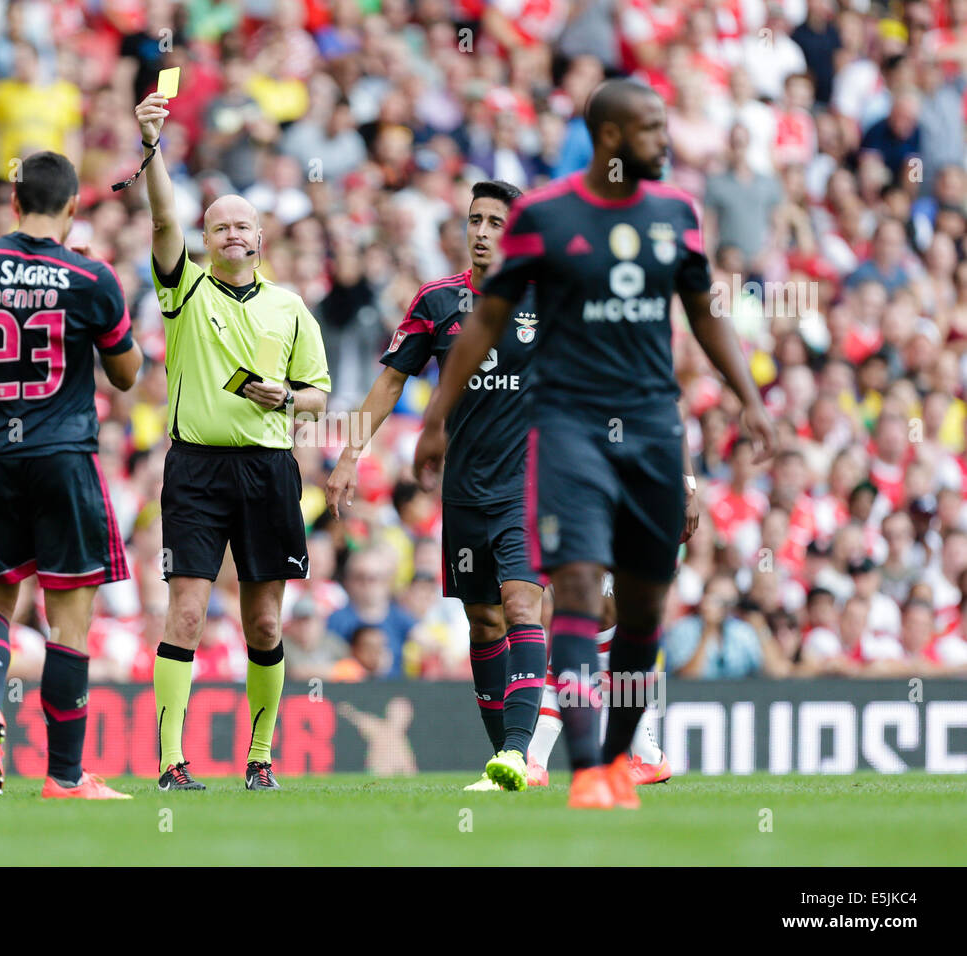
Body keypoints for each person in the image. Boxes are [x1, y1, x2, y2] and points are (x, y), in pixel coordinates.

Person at [414, 79, 775, 809]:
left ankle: (637, 752)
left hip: (645, 427)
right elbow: (486, 322)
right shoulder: (547, 218)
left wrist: (746, 402)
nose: (664, 143)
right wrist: (435, 417)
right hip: (572, 431)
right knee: (570, 594)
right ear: (610, 136)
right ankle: (579, 765)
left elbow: (703, 315)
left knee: (630, 608)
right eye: (650, 129)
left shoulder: (677, 214)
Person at [0, 150, 143, 801]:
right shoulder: (91, 276)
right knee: (68, 622)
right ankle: (64, 778)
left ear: (13, 202)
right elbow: (128, 376)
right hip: (64, 459)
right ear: (73, 207)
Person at [135, 91, 332, 791]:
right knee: (185, 610)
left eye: (242, 225)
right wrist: (154, 147)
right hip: (195, 467)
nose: (231, 235)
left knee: (265, 624)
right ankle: (169, 762)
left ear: (260, 237)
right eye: (219, 227)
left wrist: (289, 398)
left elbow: (319, 393)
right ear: (207, 239)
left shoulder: (290, 307)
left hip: (269, 467)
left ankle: (259, 758)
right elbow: (162, 217)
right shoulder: (184, 289)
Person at [326, 180, 550, 792]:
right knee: (483, 622)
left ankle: (520, 752)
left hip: (527, 489)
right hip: (462, 491)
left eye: (494, 222)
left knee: (521, 604)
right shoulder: (438, 301)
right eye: (474, 220)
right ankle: (503, 762)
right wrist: (350, 454)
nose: (480, 231)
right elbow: (392, 382)